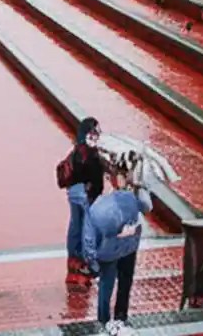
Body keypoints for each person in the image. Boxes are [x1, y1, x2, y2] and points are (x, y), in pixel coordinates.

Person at [83, 166, 154, 329]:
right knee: (124, 282)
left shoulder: (97, 208)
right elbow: (147, 206)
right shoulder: (131, 198)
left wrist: (92, 262)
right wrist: (141, 187)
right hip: (129, 248)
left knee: (106, 286)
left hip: (109, 253)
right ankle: (120, 317)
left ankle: (105, 321)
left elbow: (89, 239)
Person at [62, 117, 105, 285]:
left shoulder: (77, 150)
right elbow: (96, 180)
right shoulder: (91, 154)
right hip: (86, 195)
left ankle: (73, 258)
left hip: (74, 193)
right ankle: (91, 264)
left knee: (75, 225)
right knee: (88, 229)